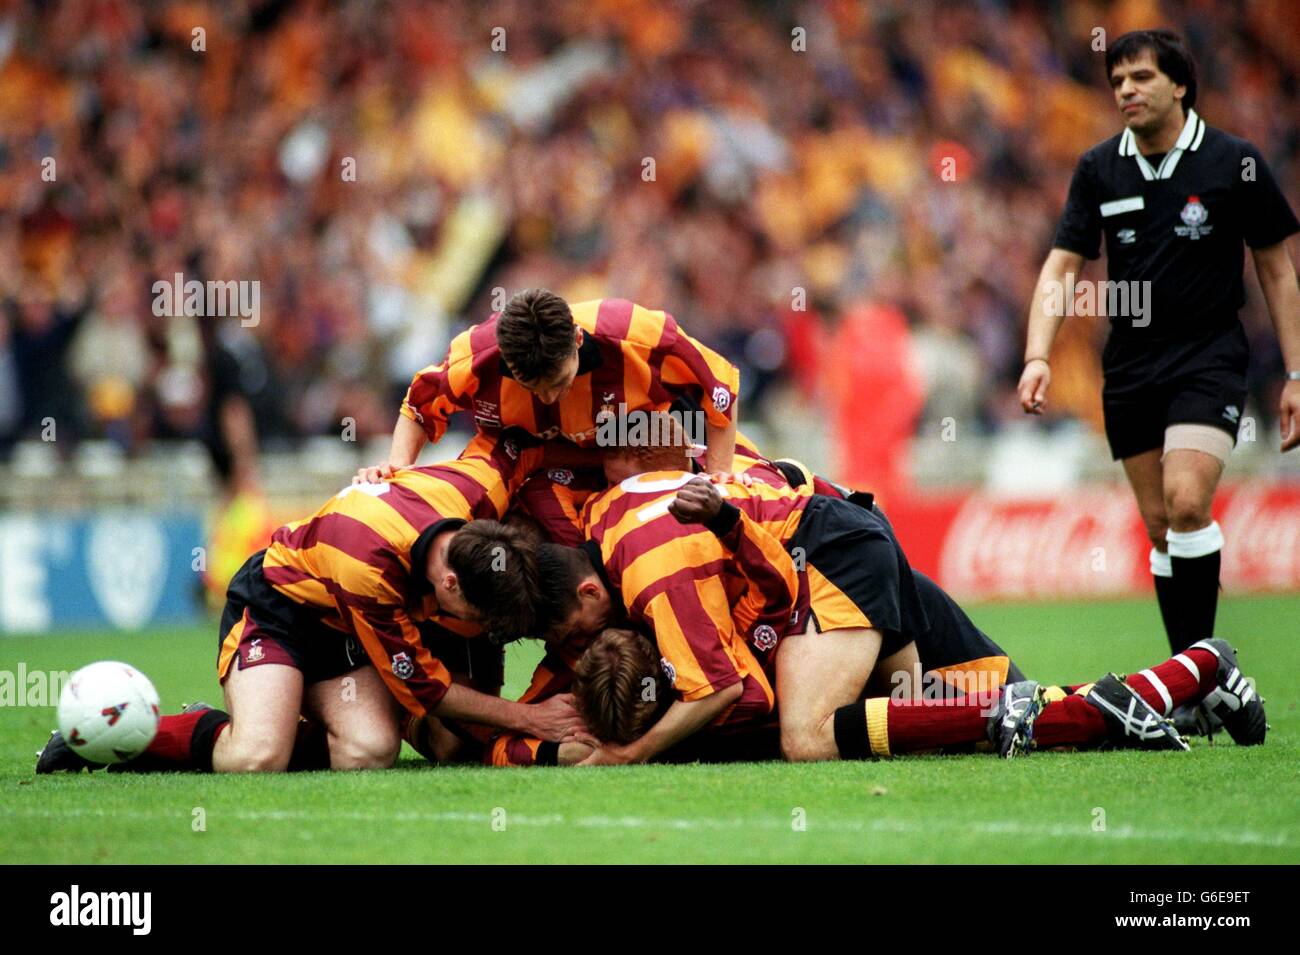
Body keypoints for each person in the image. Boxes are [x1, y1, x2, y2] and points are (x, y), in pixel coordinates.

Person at [37, 444, 585, 774]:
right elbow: (425, 688)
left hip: (345, 625)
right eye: (478, 616)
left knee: (369, 751)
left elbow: (522, 442)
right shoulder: (369, 567)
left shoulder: (476, 486)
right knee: (257, 756)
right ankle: (140, 734)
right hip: (281, 610)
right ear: (447, 582)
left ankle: (267, 707)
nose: (481, 630)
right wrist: (527, 717)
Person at [1018, 30, 1300, 657]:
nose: (1126, 91)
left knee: (1187, 502)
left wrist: (1297, 374)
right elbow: (1063, 265)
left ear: (1179, 85)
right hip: (1130, 366)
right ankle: (1191, 679)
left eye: (1140, 78)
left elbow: (1277, 269)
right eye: (1117, 81)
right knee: (1159, 525)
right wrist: (1038, 352)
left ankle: (1200, 671)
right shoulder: (1099, 167)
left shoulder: (1235, 162)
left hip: (1209, 358)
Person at [356, 288, 742, 483]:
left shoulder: (636, 334)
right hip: (535, 455)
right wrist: (395, 468)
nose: (547, 397)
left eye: (557, 382)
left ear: (576, 340)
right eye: (531, 387)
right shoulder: (473, 357)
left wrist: (719, 477)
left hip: (633, 441)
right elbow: (418, 408)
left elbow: (720, 386)